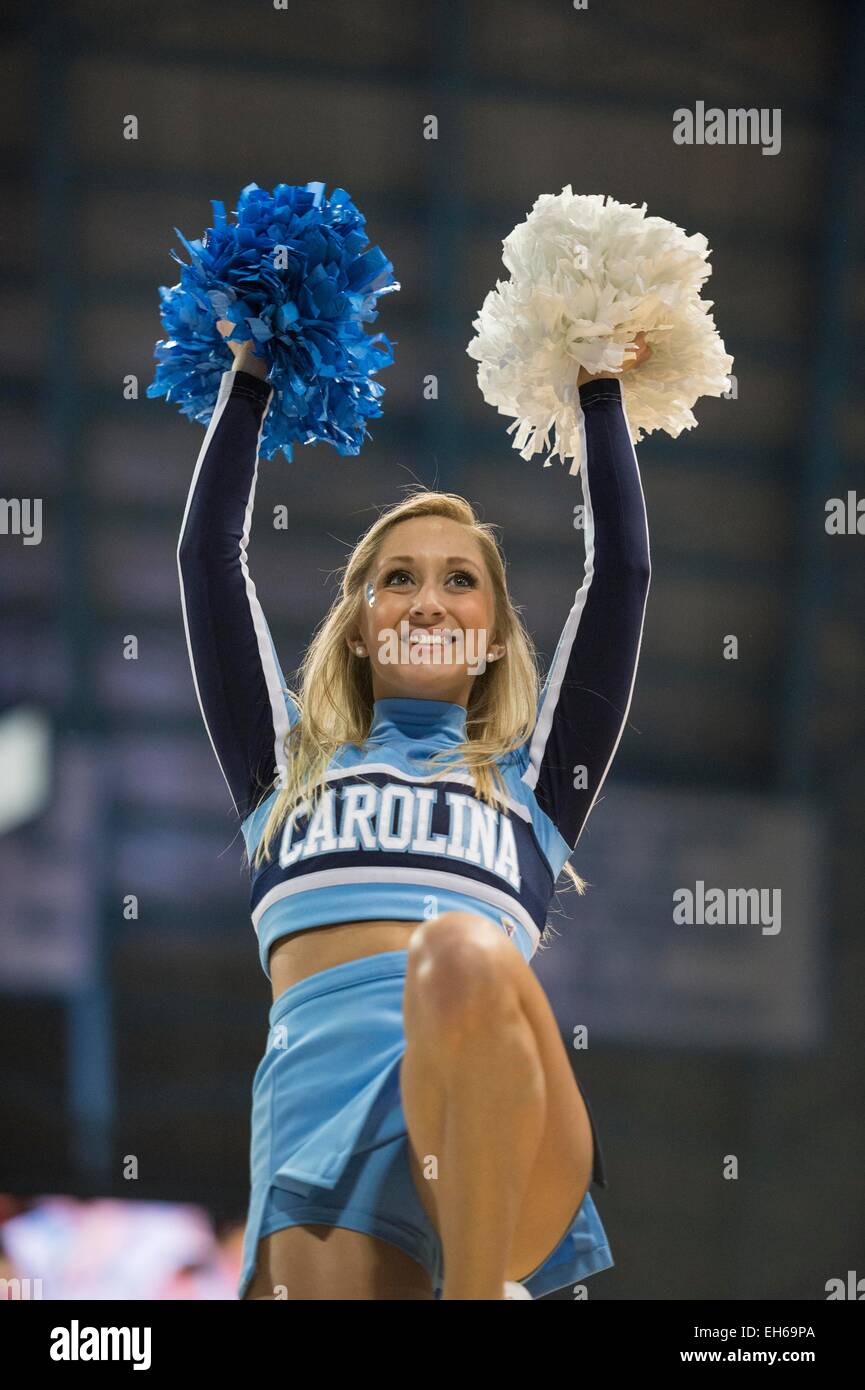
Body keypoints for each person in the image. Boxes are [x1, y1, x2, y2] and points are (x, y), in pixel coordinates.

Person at [176, 322, 652, 1299]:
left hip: (494, 1122)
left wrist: (599, 384)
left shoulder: (531, 789)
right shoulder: (283, 774)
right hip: (316, 1119)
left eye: (459, 581)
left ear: (493, 635)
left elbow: (623, 576)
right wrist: (252, 365)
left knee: (459, 952)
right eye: (398, 579)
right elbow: (206, 559)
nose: (427, 603)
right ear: (358, 626)